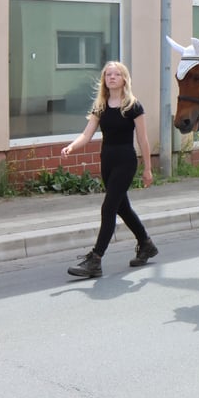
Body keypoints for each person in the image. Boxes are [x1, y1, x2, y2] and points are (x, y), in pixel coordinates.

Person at [63, 61, 156, 278]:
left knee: (108, 208)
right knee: (122, 208)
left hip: (126, 161)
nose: (111, 77)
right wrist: (71, 147)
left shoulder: (133, 105)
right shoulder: (101, 106)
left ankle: (95, 259)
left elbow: (143, 140)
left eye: (116, 74)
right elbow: (86, 135)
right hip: (107, 161)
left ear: (124, 79)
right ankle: (146, 244)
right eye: (108, 75)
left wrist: (148, 169)